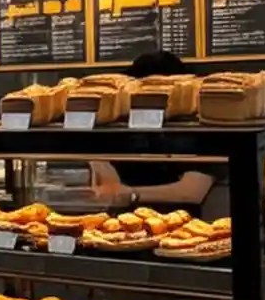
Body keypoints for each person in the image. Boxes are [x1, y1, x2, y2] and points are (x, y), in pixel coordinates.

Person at [90, 51, 219, 215]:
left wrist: (131, 194)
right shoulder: (118, 128)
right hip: (120, 225)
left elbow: (192, 191)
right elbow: (102, 177)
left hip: (179, 225)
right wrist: (99, 165)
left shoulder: (196, 129)